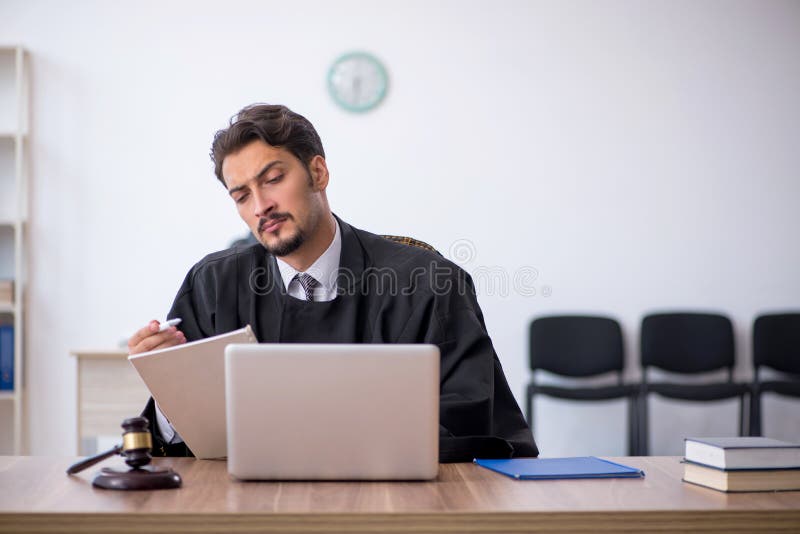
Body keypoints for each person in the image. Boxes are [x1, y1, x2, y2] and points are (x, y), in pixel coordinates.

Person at [128, 104, 539, 462]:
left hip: (394, 508)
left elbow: (467, 418)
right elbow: (180, 444)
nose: (260, 206)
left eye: (273, 179)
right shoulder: (213, 285)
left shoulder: (429, 283)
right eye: (241, 196)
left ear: (318, 172)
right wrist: (170, 394)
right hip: (251, 509)